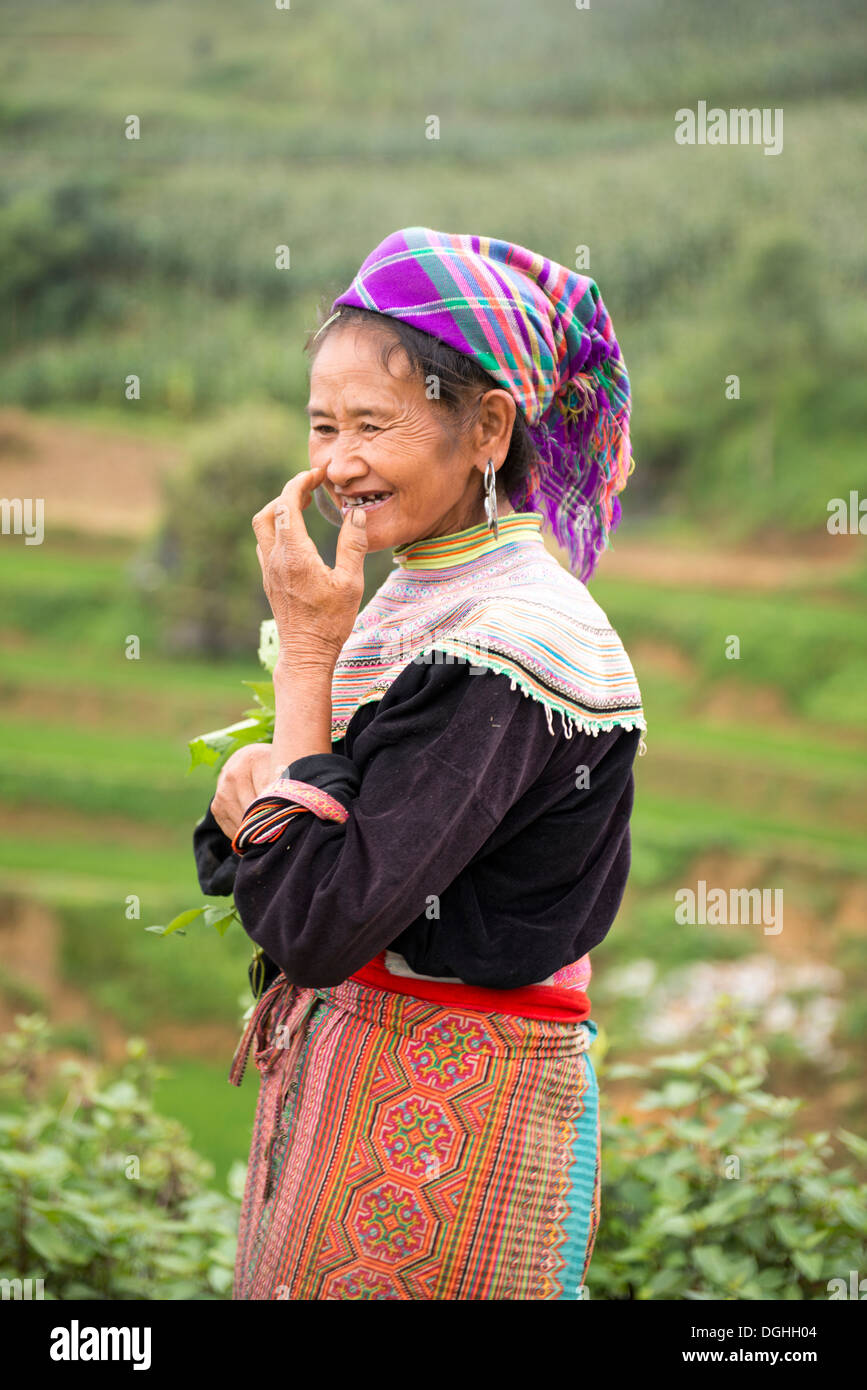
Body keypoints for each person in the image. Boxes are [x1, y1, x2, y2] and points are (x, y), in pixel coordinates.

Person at [192, 227, 645, 1301]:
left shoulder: (508, 643)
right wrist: (264, 787)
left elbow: (313, 918)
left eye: (371, 425)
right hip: (365, 1083)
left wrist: (305, 658)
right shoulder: (423, 598)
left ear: (486, 426)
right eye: (321, 426)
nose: (337, 462)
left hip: (447, 1121)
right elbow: (256, 857)